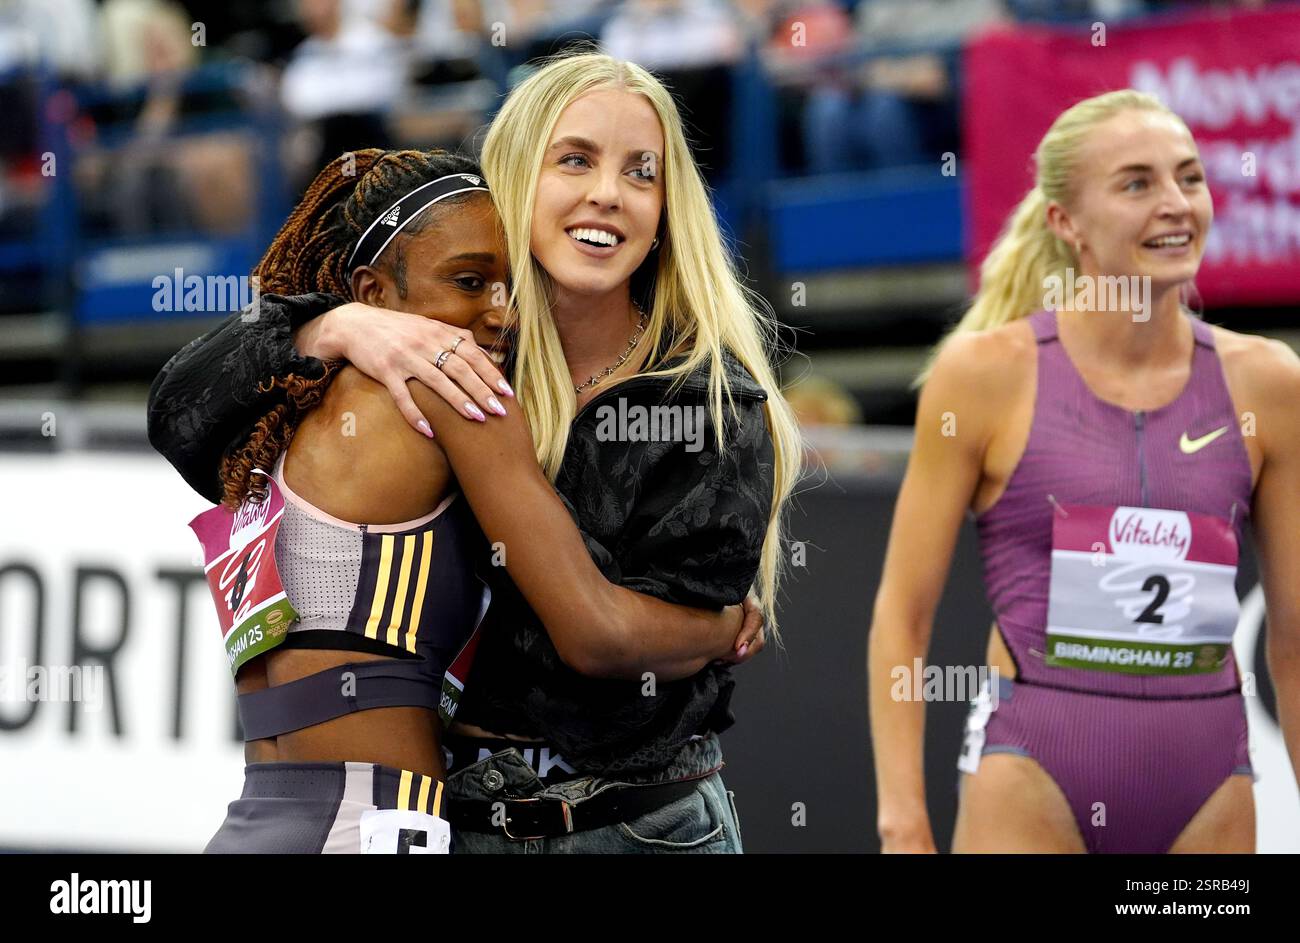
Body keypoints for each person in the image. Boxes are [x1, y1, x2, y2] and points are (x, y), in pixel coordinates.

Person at [150, 52, 803, 853]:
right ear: (514, 181)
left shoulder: (713, 403)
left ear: (668, 209)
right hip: (448, 823)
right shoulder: (448, 360)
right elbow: (178, 411)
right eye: (575, 159)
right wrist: (334, 325)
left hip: (638, 826)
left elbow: (594, 664)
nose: (607, 191)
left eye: (642, 172)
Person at [868, 90, 1300, 853]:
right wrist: (903, 823)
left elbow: (1295, 638)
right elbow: (902, 615)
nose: (1175, 204)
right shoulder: (984, 375)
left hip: (1209, 783)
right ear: (1066, 224)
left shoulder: (1268, 381)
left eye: (1190, 178)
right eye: (1136, 184)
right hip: (1033, 773)